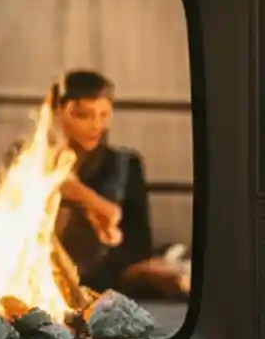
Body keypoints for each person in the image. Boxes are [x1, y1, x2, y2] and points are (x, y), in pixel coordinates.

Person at [50, 70, 190, 299]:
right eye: (83, 115)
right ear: (58, 113)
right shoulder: (30, 163)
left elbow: (139, 243)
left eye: (104, 115)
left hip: (107, 277)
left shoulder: (125, 165)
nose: (96, 125)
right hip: (43, 274)